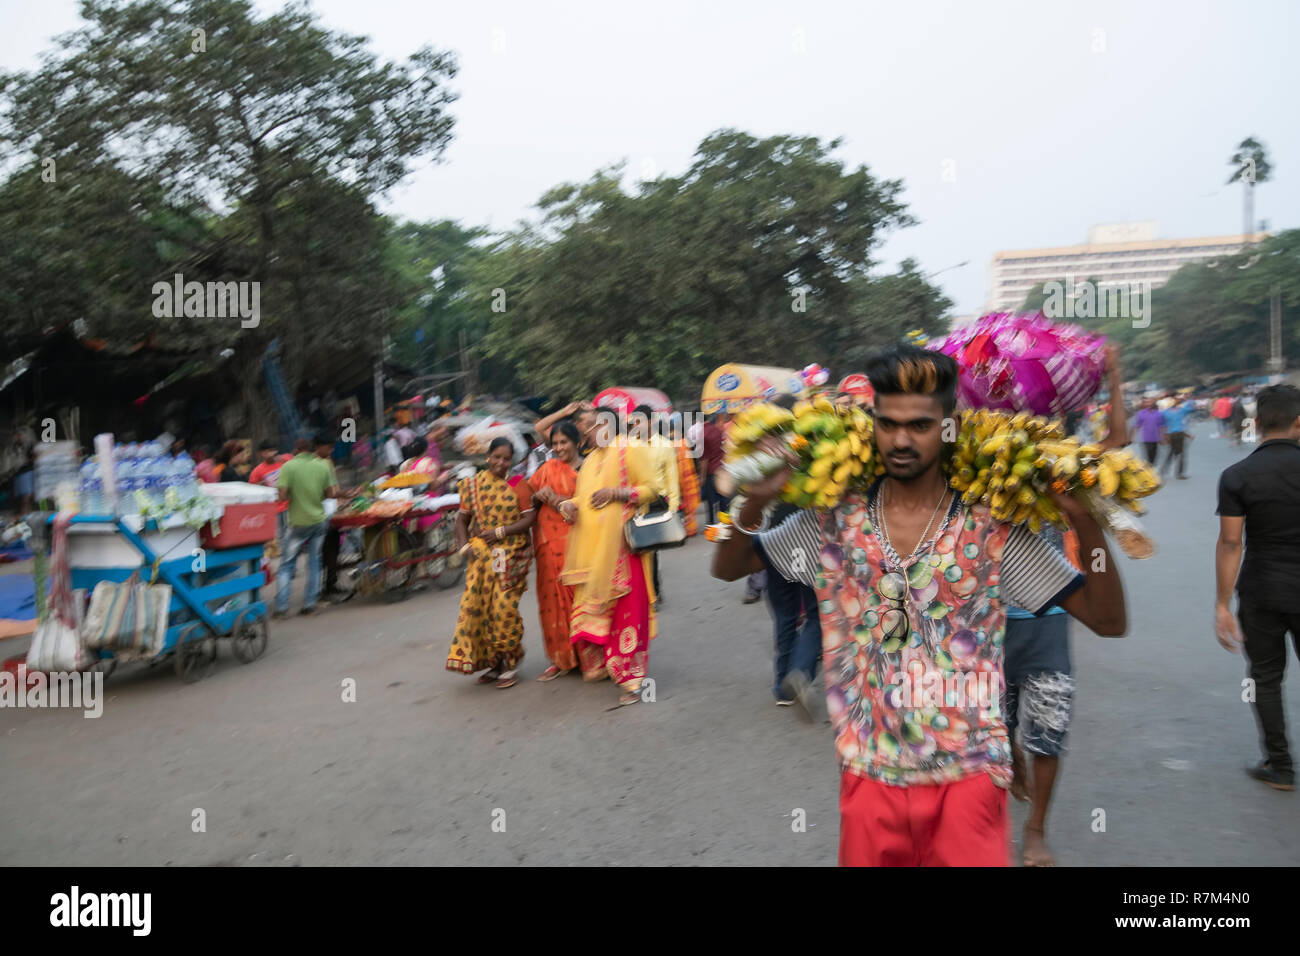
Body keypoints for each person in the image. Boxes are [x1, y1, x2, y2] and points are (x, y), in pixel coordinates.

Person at [712, 345, 1126, 867]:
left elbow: (1109, 622)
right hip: (868, 773)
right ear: (874, 425)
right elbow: (728, 568)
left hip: (970, 775)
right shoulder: (832, 523)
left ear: (948, 427)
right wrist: (753, 501)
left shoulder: (990, 529)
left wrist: (1086, 524)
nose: (902, 440)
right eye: (888, 424)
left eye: (921, 426)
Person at [1004, 343, 1130, 867]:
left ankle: (1036, 829)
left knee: (1048, 731)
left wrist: (1116, 379)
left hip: (1050, 618)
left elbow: (1117, 442)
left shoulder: (1061, 467)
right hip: (981, 624)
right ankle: (1010, 757)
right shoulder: (973, 469)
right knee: (995, 727)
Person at [1215, 384, 1300, 791]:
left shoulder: (1237, 476)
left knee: (1265, 678)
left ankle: (1280, 766)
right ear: (1299, 423)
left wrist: (1221, 604)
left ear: (1257, 423)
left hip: (1261, 591)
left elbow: (1232, 543)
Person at [559, 409, 666, 706]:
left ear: (609, 425)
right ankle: (605, 665)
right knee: (599, 610)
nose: (589, 432)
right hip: (594, 552)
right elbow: (585, 498)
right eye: (587, 428)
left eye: (594, 426)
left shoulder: (630, 449)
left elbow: (654, 489)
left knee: (628, 611)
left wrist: (617, 493)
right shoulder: (592, 459)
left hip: (624, 548)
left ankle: (633, 681)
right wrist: (570, 505)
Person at [446, 438, 537, 687]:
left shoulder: (518, 485)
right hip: (483, 558)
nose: (500, 463)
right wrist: (464, 546)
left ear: (512, 461)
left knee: (503, 608)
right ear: (488, 457)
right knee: (482, 609)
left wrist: (501, 532)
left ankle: (510, 662)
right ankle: (494, 664)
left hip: (510, 554)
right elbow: (461, 520)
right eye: (496, 457)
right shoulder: (473, 485)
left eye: (506, 459)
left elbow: (529, 519)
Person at [757, 394, 822, 717]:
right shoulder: (808, 447)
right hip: (806, 537)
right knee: (815, 612)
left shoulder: (758, 451)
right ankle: (801, 670)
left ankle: (782, 683)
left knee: (783, 612)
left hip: (772, 538)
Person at [526, 420, 582, 680]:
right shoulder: (547, 468)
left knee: (580, 600)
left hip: (577, 545)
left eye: (564, 442)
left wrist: (559, 500)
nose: (559, 448)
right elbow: (529, 500)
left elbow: (590, 507)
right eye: (555, 443)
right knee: (551, 601)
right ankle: (559, 658)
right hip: (547, 546)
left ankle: (586, 656)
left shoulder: (587, 470)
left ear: (577, 442)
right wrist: (540, 496)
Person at [275, 436, 346, 617]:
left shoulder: (288, 466)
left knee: (286, 565)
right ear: (312, 449)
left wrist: (293, 492)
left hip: (297, 523)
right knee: (314, 562)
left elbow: (282, 496)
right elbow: (330, 494)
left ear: (296, 450)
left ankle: (281, 608)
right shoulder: (322, 465)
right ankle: (309, 605)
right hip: (318, 521)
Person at [1160, 393, 1192, 479]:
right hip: (1171, 435)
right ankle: (1165, 471)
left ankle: (1177, 473)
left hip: (1180, 434)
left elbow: (1190, 406)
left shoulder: (1181, 410)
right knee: (1172, 454)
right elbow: (1163, 426)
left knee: (1180, 454)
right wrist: (1164, 437)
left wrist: (1185, 399)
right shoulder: (1165, 413)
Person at [1131, 398, 1164, 465]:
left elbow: (1160, 426)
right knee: (1148, 455)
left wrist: (1162, 437)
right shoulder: (1140, 413)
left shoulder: (1158, 413)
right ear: (1143, 404)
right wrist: (1133, 437)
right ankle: (1149, 470)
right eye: (1146, 402)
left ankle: (1150, 467)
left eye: (1150, 402)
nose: (1148, 403)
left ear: (1153, 403)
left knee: (1154, 455)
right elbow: (1137, 426)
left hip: (1155, 438)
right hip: (1145, 438)